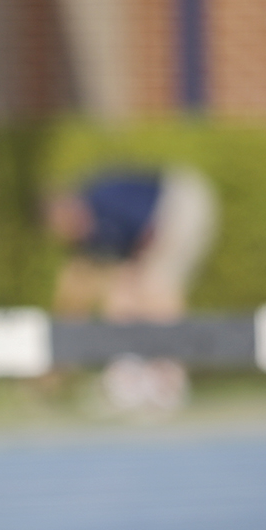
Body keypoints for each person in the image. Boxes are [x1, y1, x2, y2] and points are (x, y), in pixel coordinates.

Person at [45, 166, 217, 414]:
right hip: (157, 224)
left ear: (68, 207)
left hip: (179, 205)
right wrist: (62, 353)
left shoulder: (105, 199)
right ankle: (128, 380)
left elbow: (150, 232)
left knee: (159, 285)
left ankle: (168, 383)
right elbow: (79, 291)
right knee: (120, 292)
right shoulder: (88, 235)